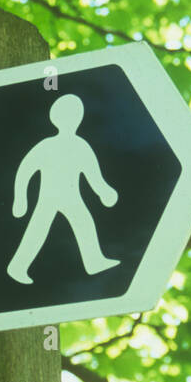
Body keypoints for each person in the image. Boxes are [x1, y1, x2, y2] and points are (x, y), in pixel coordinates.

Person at [7, 93, 121, 284]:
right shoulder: (47, 145)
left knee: (84, 223)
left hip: (71, 197)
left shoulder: (81, 146)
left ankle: (94, 261)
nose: (73, 119)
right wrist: (20, 199)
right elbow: (25, 170)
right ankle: (17, 266)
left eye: (76, 115)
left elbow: (93, 175)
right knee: (37, 229)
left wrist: (104, 191)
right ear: (56, 118)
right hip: (48, 198)